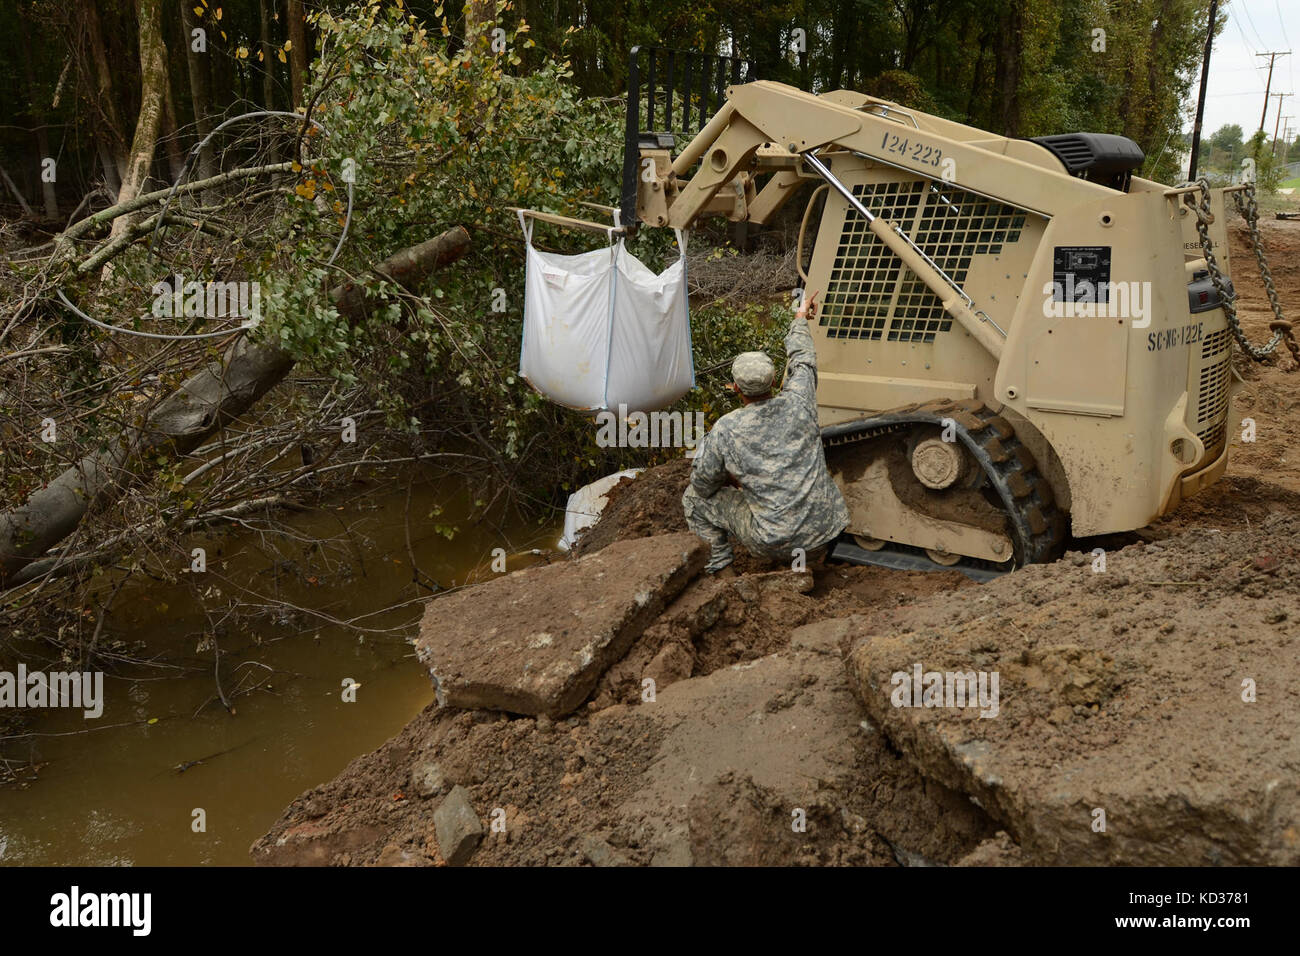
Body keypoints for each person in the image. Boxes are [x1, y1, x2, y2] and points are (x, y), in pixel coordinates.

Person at [682, 292, 850, 573]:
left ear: (735, 388)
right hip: (825, 531)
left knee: (693, 499)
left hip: (774, 542)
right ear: (774, 381)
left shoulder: (727, 429)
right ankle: (805, 566)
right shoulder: (800, 400)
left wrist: (733, 478)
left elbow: (702, 485)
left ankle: (722, 571)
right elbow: (803, 359)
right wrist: (800, 317)